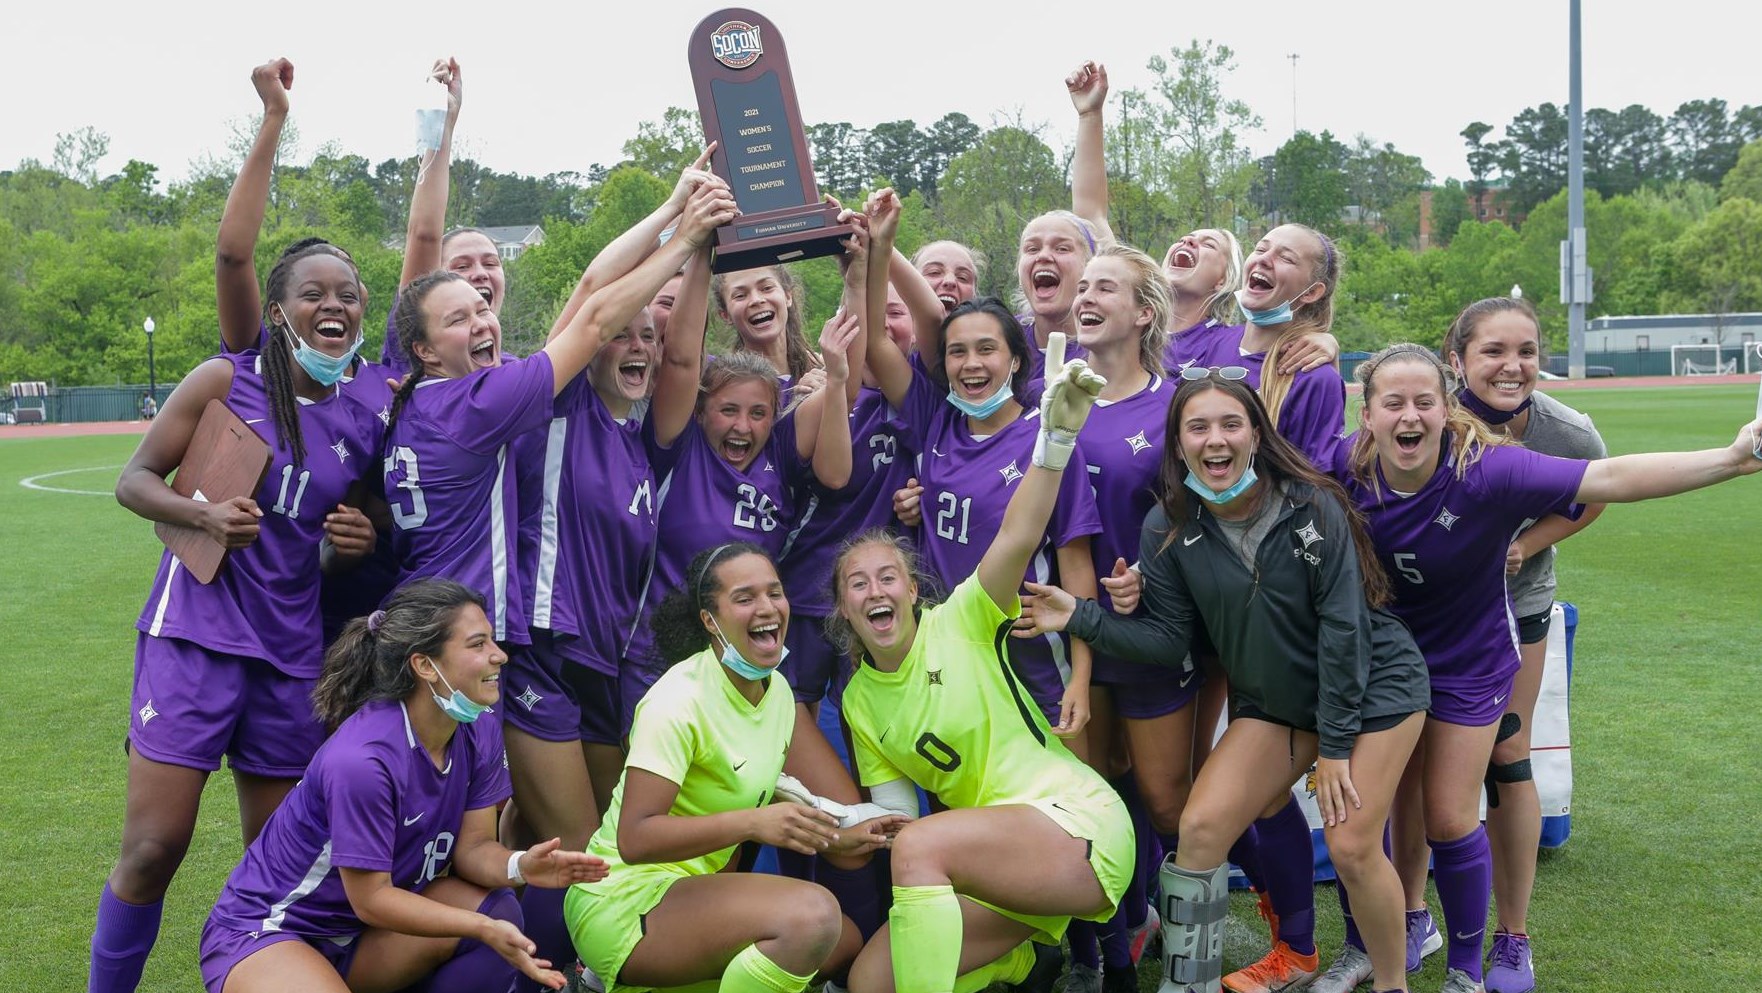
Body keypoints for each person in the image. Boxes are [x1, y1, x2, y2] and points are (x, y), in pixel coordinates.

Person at [1328, 343, 1762, 993]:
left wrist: (1734, 458)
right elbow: (1256, 479)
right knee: (1376, 814)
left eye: (1425, 401)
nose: (1409, 415)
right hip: (1387, 662)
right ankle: (1383, 939)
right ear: (1367, 414)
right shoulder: (1342, 464)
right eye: (1393, 402)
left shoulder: (1489, 471)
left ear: (1446, 410)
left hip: (1468, 660)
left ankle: (1467, 972)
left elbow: (1608, 480)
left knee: (1449, 816)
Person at [1021, 371, 1431, 993]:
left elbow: (1344, 630)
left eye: (1231, 424)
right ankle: (1189, 985)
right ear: (1179, 443)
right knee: (1200, 828)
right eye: (1199, 427)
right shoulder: (1168, 525)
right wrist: (1077, 614)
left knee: (1349, 845)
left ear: (1255, 436)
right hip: (1278, 704)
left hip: (1375, 691)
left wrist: (1338, 749)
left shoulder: (1311, 503)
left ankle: (1392, 985)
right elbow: (1167, 641)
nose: (1216, 439)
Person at [93, 238, 384, 993]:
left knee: (276, 863)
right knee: (155, 846)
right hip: (193, 637)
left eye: (347, 294)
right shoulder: (231, 377)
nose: (334, 306)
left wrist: (353, 542)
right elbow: (134, 482)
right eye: (314, 293)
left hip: (290, 655)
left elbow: (330, 537)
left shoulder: (363, 417)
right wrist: (207, 514)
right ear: (279, 312)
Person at [831, 337, 1133, 993]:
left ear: (913, 590)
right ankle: (1020, 964)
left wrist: (1052, 440)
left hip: (1074, 824)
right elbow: (899, 824)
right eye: (858, 584)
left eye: (888, 576)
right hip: (989, 863)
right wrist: (851, 832)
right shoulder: (856, 701)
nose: (875, 590)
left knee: (923, 851)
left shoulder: (964, 616)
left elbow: (1020, 533)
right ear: (844, 609)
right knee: (870, 981)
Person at [199, 580, 605, 993]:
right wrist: (481, 927)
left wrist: (521, 866)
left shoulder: (477, 727)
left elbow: (474, 850)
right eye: (478, 644)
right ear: (425, 665)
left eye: (493, 642)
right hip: (272, 931)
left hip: (362, 936)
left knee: (498, 909)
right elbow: (371, 898)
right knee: (486, 924)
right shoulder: (363, 760)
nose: (499, 656)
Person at [379, 180, 737, 645]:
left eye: (482, 307)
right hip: (455, 626)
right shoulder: (477, 403)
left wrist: (672, 208)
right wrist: (686, 239)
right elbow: (592, 316)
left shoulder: (432, 397)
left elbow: (590, 287)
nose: (483, 320)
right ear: (424, 350)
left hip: (435, 612)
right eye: (458, 318)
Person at [565, 543, 904, 993]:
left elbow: (770, 795)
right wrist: (753, 823)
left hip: (700, 897)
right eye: (745, 598)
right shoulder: (677, 702)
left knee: (843, 942)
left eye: (775, 593)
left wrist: (842, 836)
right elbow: (635, 838)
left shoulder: (778, 692)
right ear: (710, 619)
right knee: (812, 918)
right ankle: (598, 977)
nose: (767, 608)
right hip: (626, 899)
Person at [863, 189, 1101, 744]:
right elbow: (875, 339)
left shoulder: (1050, 441)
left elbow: (1078, 571)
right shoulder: (934, 420)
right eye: (957, 351)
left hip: (1037, 663)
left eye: (987, 349)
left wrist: (1083, 678)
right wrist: (880, 249)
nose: (971, 364)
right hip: (949, 661)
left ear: (1015, 359)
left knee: (1064, 814)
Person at [1434, 298, 1606, 993]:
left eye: (1527, 351)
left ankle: (1513, 936)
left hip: (1516, 610)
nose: (1513, 365)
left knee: (1509, 750)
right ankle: (1416, 916)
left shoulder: (1567, 430)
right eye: (1494, 351)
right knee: (1415, 756)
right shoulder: (1426, 411)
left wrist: (1529, 542)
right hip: (1429, 610)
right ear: (1458, 359)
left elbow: (1595, 495)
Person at [622, 235, 858, 731]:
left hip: (745, 667)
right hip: (661, 659)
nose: (742, 427)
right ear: (701, 410)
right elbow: (684, 358)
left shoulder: (778, 446)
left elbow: (843, 405)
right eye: (728, 411)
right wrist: (701, 248)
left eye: (757, 414)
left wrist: (859, 269)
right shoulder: (677, 447)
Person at [1056, 242, 1184, 992]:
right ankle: (1111, 941)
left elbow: (1203, 514)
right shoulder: (1051, 391)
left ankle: (1197, 938)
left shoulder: (1174, 402)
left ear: (1143, 312)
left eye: (1106, 286)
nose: (1085, 295)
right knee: (1094, 789)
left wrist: (1154, 577)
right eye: (1082, 285)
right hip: (1072, 631)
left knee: (1165, 798)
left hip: (1152, 635)